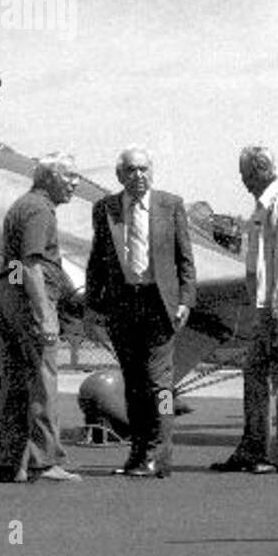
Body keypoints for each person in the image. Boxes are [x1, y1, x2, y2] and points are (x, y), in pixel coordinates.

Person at [86, 146, 196, 478]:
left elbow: (185, 260)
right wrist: (93, 307)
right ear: (120, 175)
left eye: (144, 169)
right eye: (132, 170)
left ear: (152, 172)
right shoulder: (105, 209)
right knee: (133, 384)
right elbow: (97, 262)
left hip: (159, 304)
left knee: (159, 385)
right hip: (122, 306)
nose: (139, 175)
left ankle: (159, 454)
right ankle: (137, 453)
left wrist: (186, 301)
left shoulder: (171, 205)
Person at [211, 146, 278, 475]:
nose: (243, 182)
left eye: (245, 175)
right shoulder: (267, 203)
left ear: (259, 172)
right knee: (255, 371)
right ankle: (253, 448)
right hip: (268, 305)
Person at [0, 152, 82, 483]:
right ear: (47, 177)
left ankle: (10, 463)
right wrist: (45, 315)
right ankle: (44, 462)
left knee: (14, 383)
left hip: (8, 296)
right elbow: (31, 265)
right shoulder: (40, 210)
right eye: (69, 175)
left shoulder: (21, 205)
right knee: (43, 383)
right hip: (28, 302)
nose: (75, 182)